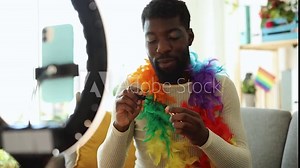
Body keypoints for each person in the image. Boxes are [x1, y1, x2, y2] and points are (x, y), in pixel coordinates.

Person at [97, 0, 252, 167]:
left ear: (189, 37)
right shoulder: (133, 89)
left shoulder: (221, 87)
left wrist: (204, 138)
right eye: (151, 40)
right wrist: (119, 127)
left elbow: (244, 164)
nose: (162, 48)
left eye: (173, 37)